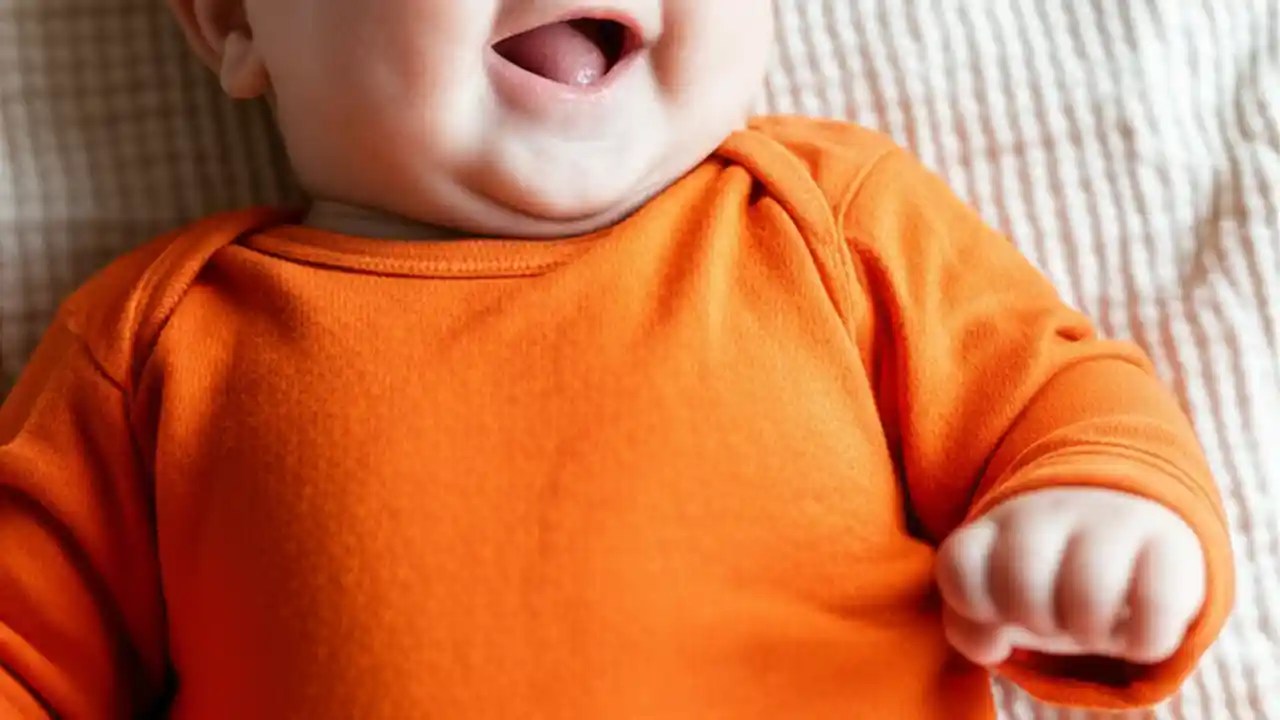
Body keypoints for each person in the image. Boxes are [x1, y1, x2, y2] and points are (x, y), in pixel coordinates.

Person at [0, 1, 1232, 717]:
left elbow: (1058, 395)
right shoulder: (160, 341)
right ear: (232, 18)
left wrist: (1097, 513)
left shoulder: (821, 220)